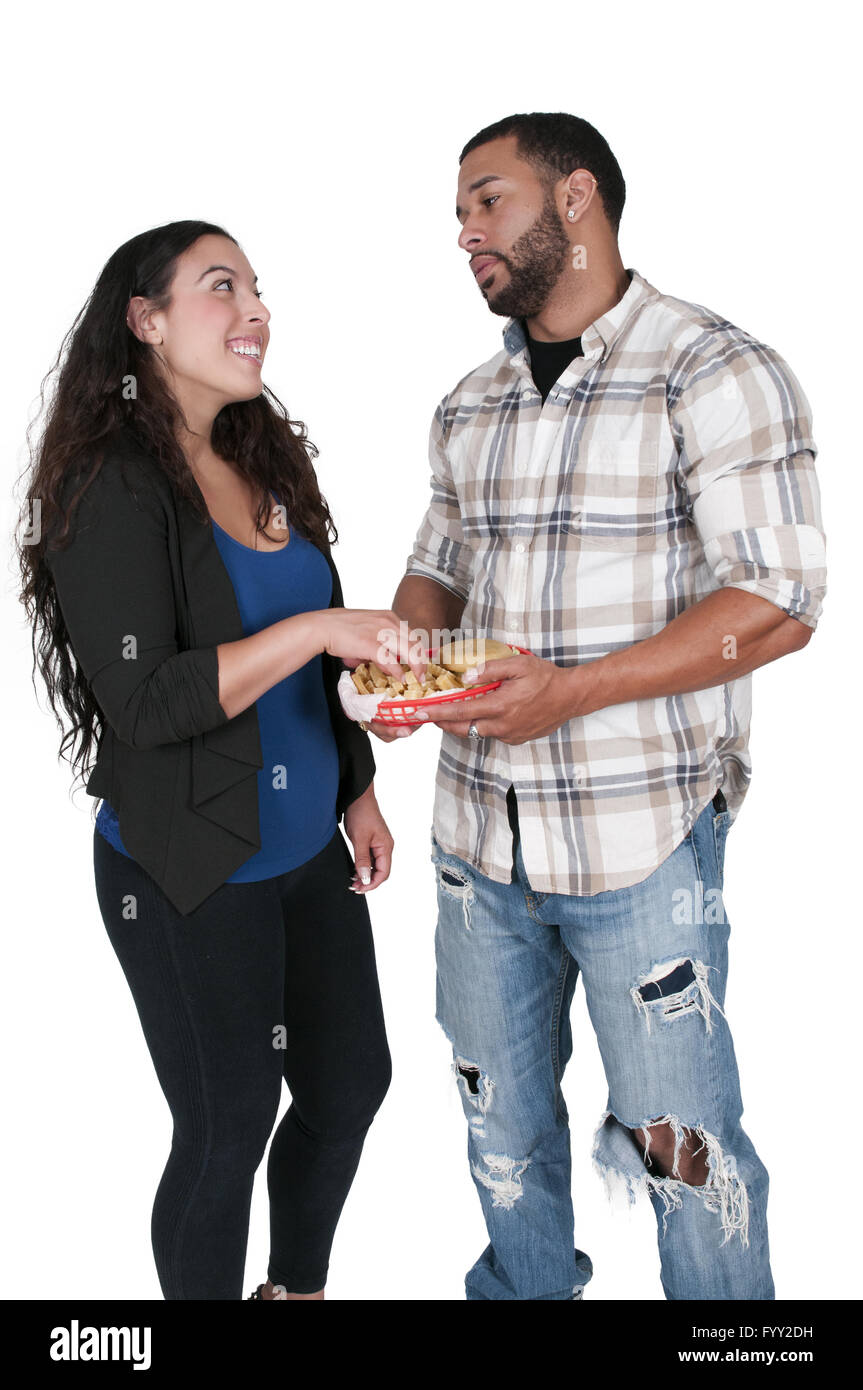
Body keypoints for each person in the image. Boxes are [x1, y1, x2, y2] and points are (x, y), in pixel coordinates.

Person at [375, 113, 827, 1300]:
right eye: (461, 211)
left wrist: (572, 692)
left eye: (488, 201)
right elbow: (436, 565)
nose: (463, 230)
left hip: (641, 841)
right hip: (478, 842)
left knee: (683, 1151)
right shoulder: (468, 404)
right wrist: (400, 663)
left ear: (575, 198)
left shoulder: (712, 369)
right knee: (500, 1139)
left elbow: (776, 604)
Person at [18, 220, 425, 1301]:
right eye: (220, 287)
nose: (254, 308)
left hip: (304, 850)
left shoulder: (257, 456)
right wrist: (320, 637)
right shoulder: (109, 486)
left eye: (256, 287)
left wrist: (358, 783)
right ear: (144, 323)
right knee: (228, 1120)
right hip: (189, 863)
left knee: (347, 1084)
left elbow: (314, 630)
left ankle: (294, 1291)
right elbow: (148, 702)